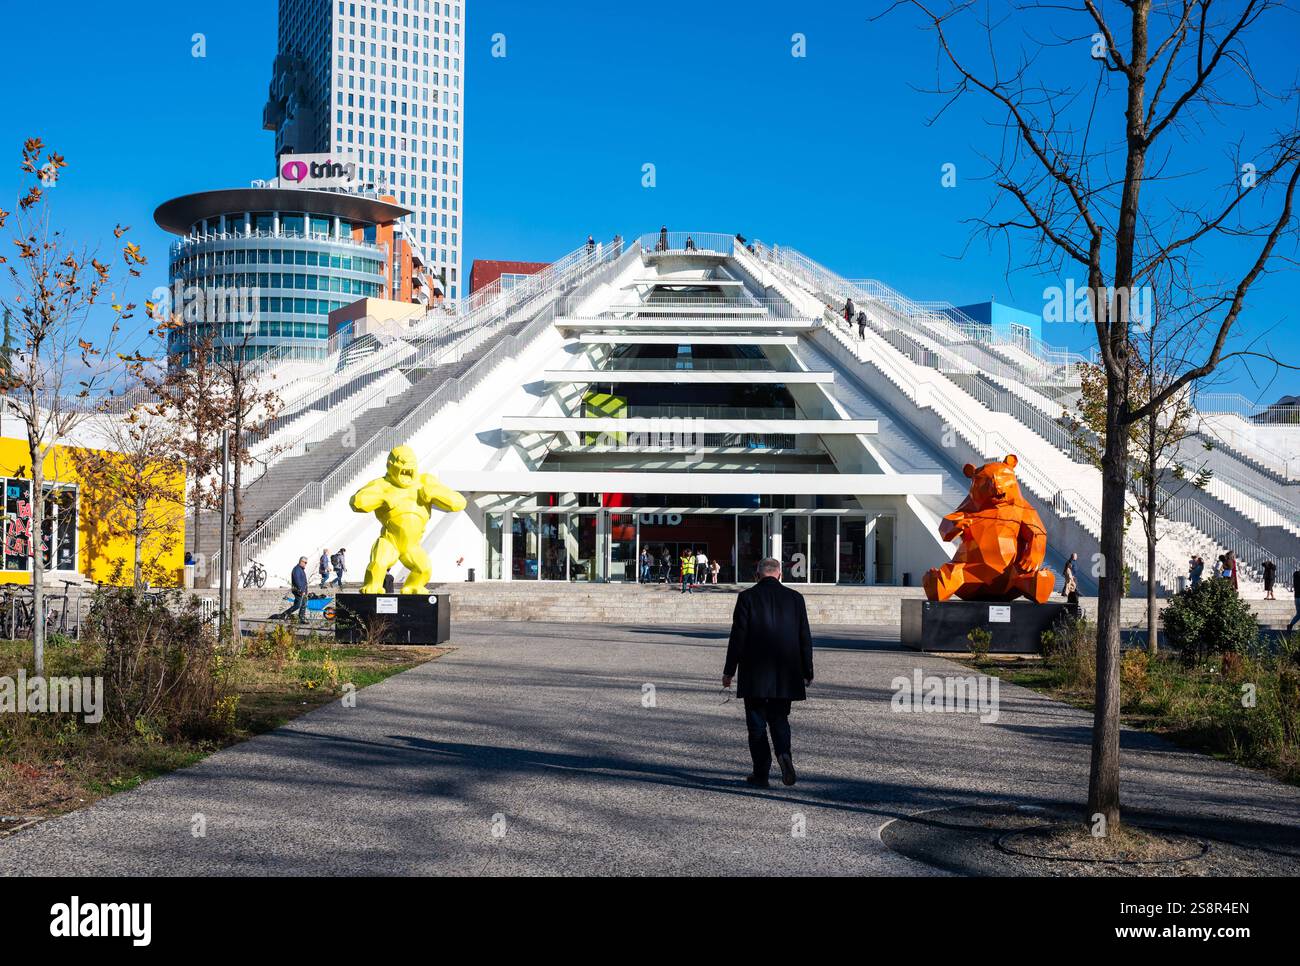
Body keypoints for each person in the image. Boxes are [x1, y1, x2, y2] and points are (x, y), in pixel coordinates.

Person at [723, 557, 814, 788]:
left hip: (755, 672)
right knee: (780, 719)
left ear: (757, 575)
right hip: (786, 673)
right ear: (780, 575)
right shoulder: (795, 598)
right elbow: (804, 637)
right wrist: (808, 669)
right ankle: (783, 754)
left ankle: (761, 774)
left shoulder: (747, 597)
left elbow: (738, 637)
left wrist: (729, 671)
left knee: (756, 725)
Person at [278, 557, 309, 624]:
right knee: (298, 605)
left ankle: (301, 618)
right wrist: (301, 590)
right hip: (299, 591)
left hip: (303, 591)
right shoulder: (297, 569)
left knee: (303, 604)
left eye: (306, 563)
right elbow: (297, 581)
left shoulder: (301, 569)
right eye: (305, 562)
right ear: (301, 561)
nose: (306, 564)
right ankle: (285, 614)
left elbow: (303, 581)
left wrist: (305, 590)